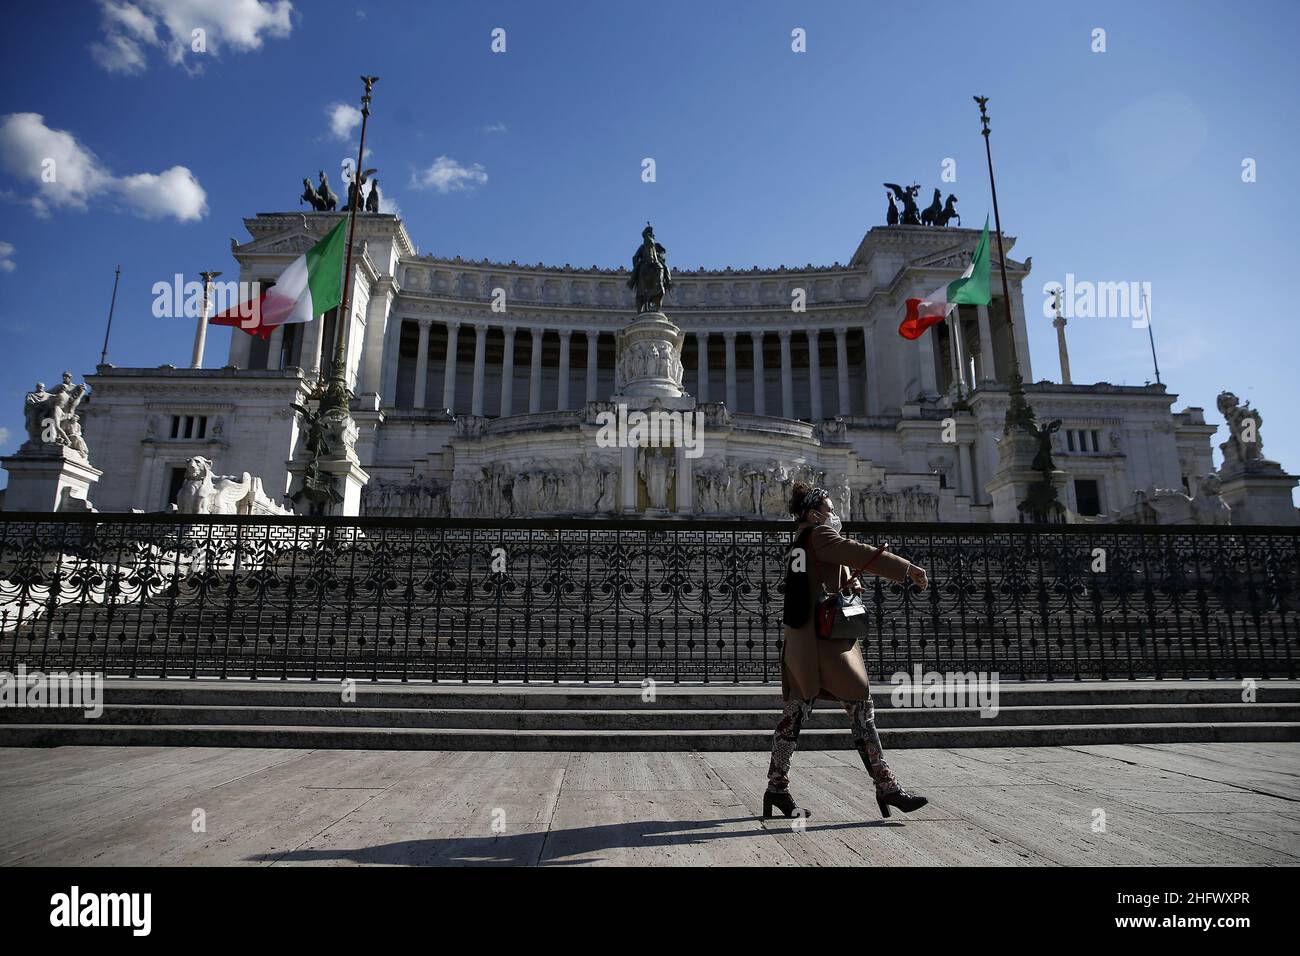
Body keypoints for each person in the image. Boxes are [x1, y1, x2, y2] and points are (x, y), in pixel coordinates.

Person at [765, 481, 930, 820]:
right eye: (830, 511)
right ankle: (886, 787)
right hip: (823, 646)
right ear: (814, 514)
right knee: (858, 705)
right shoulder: (820, 535)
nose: (835, 516)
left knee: (797, 713)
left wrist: (842, 582)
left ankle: (777, 788)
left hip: (803, 642)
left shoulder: (799, 540)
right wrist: (906, 569)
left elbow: (811, 582)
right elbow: (856, 551)